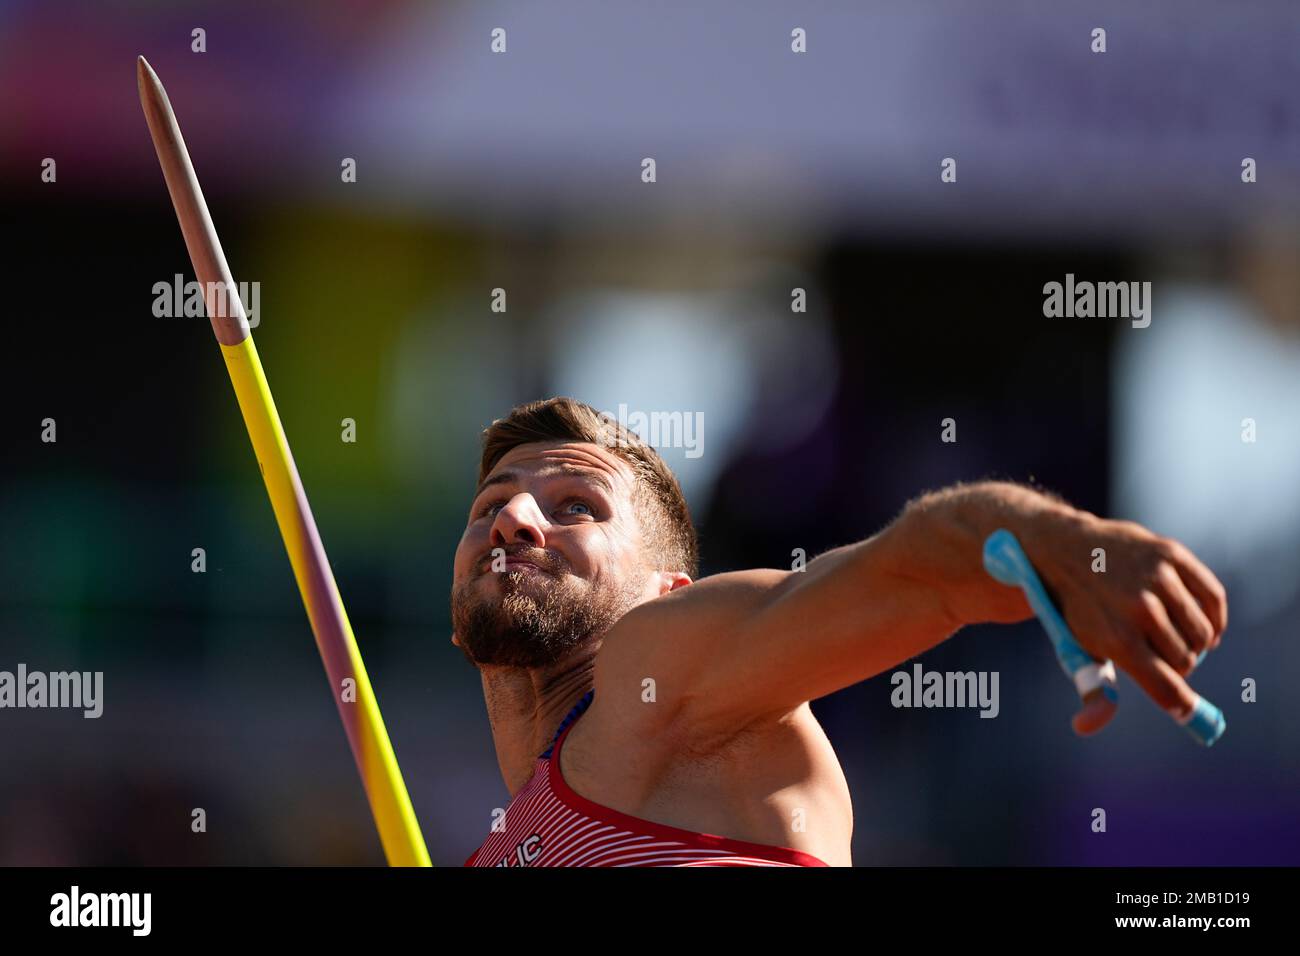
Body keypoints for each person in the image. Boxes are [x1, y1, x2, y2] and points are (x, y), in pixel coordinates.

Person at [454, 398, 1227, 867]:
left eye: (577, 506)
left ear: (669, 595)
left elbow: (916, 569)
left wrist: (1062, 545)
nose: (514, 521)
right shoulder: (510, 839)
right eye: (490, 507)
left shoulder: (652, 675)